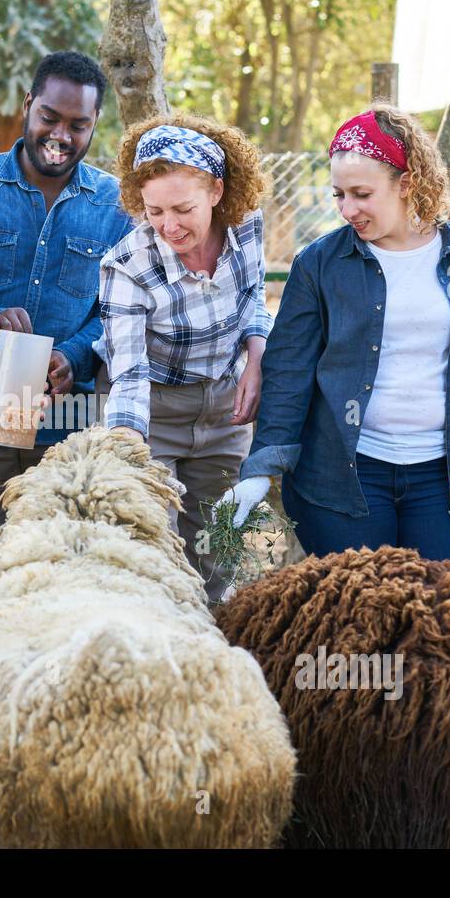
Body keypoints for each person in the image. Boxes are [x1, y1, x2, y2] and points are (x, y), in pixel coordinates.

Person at [221, 105, 450, 563]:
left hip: (446, 479)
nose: (348, 210)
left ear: (407, 183)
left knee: (449, 611)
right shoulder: (320, 265)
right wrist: (261, 468)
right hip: (346, 478)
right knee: (362, 617)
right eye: (338, 195)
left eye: (362, 194)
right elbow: (289, 371)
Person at [0, 51, 133, 544]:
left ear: (94, 124)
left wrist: (74, 355)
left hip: (71, 428)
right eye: (49, 117)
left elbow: (115, 311)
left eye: (78, 124)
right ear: (28, 105)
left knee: (63, 569)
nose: (61, 135)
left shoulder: (117, 205)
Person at [96, 114, 272, 603]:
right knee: (155, 548)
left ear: (216, 192)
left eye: (182, 208)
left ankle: (215, 647)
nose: (168, 225)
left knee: (217, 549)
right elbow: (127, 373)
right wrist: (128, 449)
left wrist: (256, 358)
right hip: (154, 412)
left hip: (224, 406)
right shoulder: (127, 266)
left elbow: (254, 296)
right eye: (154, 211)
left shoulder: (248, 224)